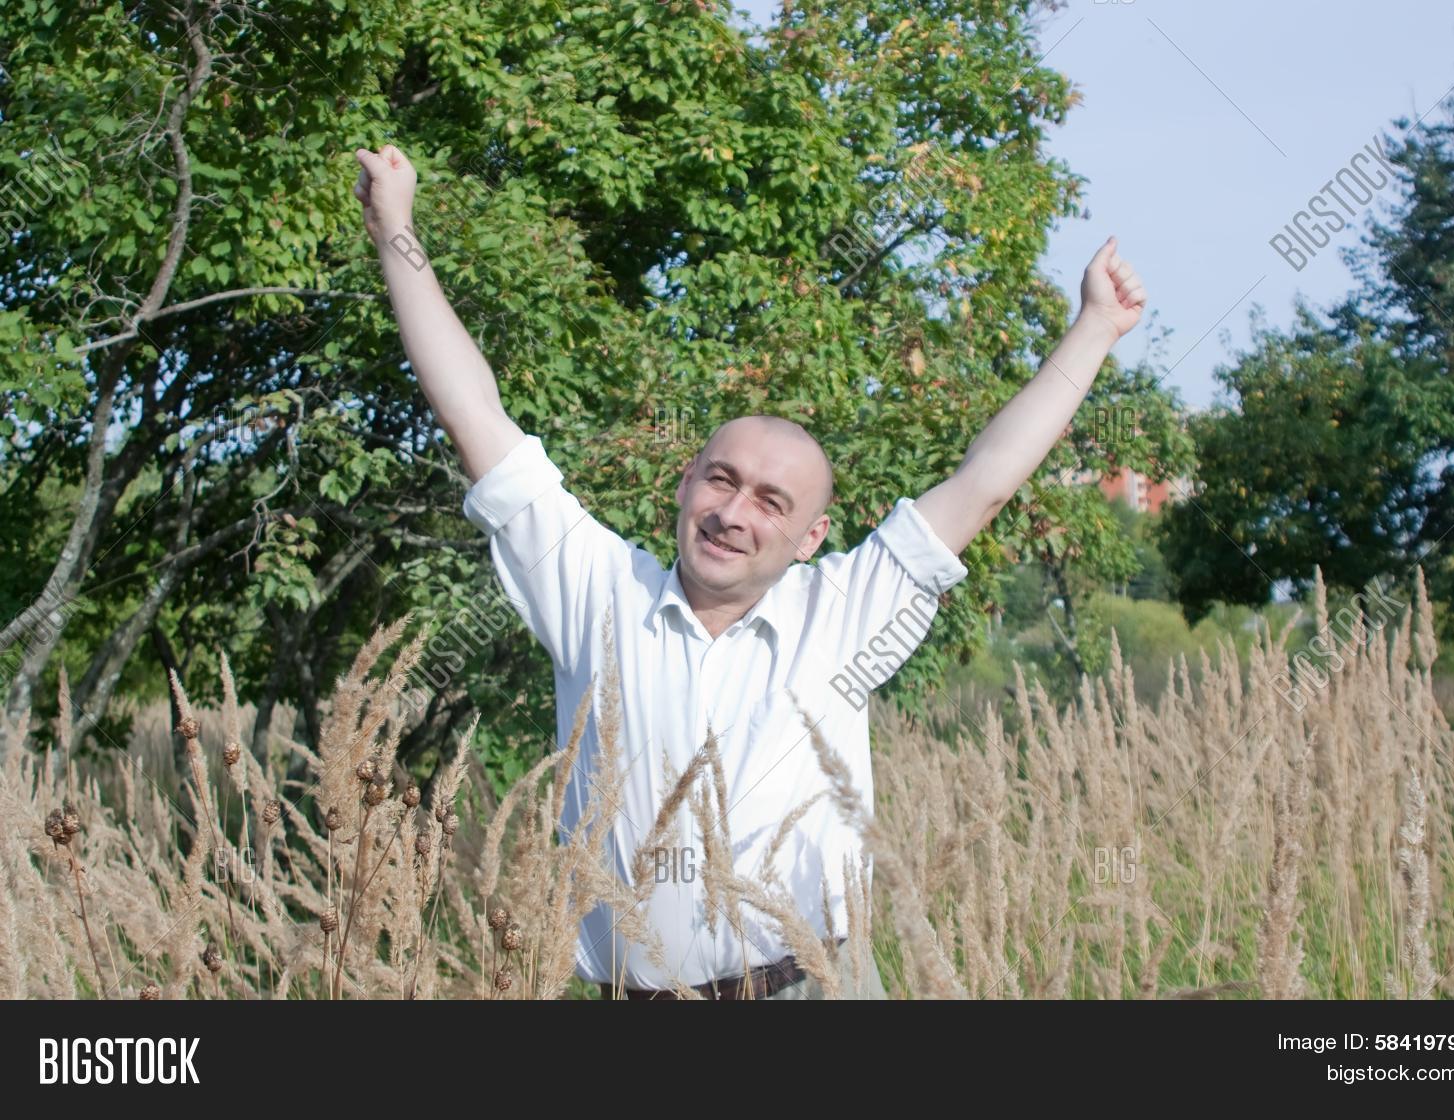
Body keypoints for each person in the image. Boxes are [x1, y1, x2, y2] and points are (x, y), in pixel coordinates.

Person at [353, 143, 1146, 999]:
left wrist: (1096, 327)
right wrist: (396, 226)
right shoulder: (597, 590)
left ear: (811, 536)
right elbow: (472, 412)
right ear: (684, 483)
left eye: (772, 501)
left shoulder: (843, 612)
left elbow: (983, 484)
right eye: (721, 480)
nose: (734, 513)